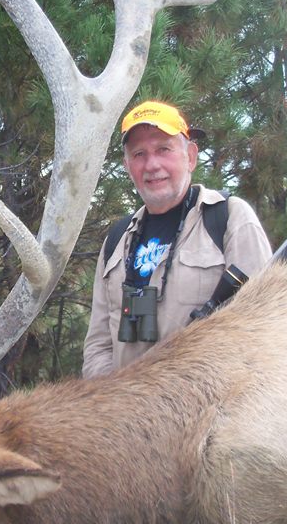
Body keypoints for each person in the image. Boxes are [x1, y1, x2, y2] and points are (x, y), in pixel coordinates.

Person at [82, 101, 272, 378]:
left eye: (163, 149)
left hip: (211, 412)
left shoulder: (229, 218)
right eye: (139, 154)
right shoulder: (116, 240)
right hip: (127, 413)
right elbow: (98, 344)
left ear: (191, 156)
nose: (152, 164)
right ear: (127, 166)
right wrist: (109, 403)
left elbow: (265, 329)